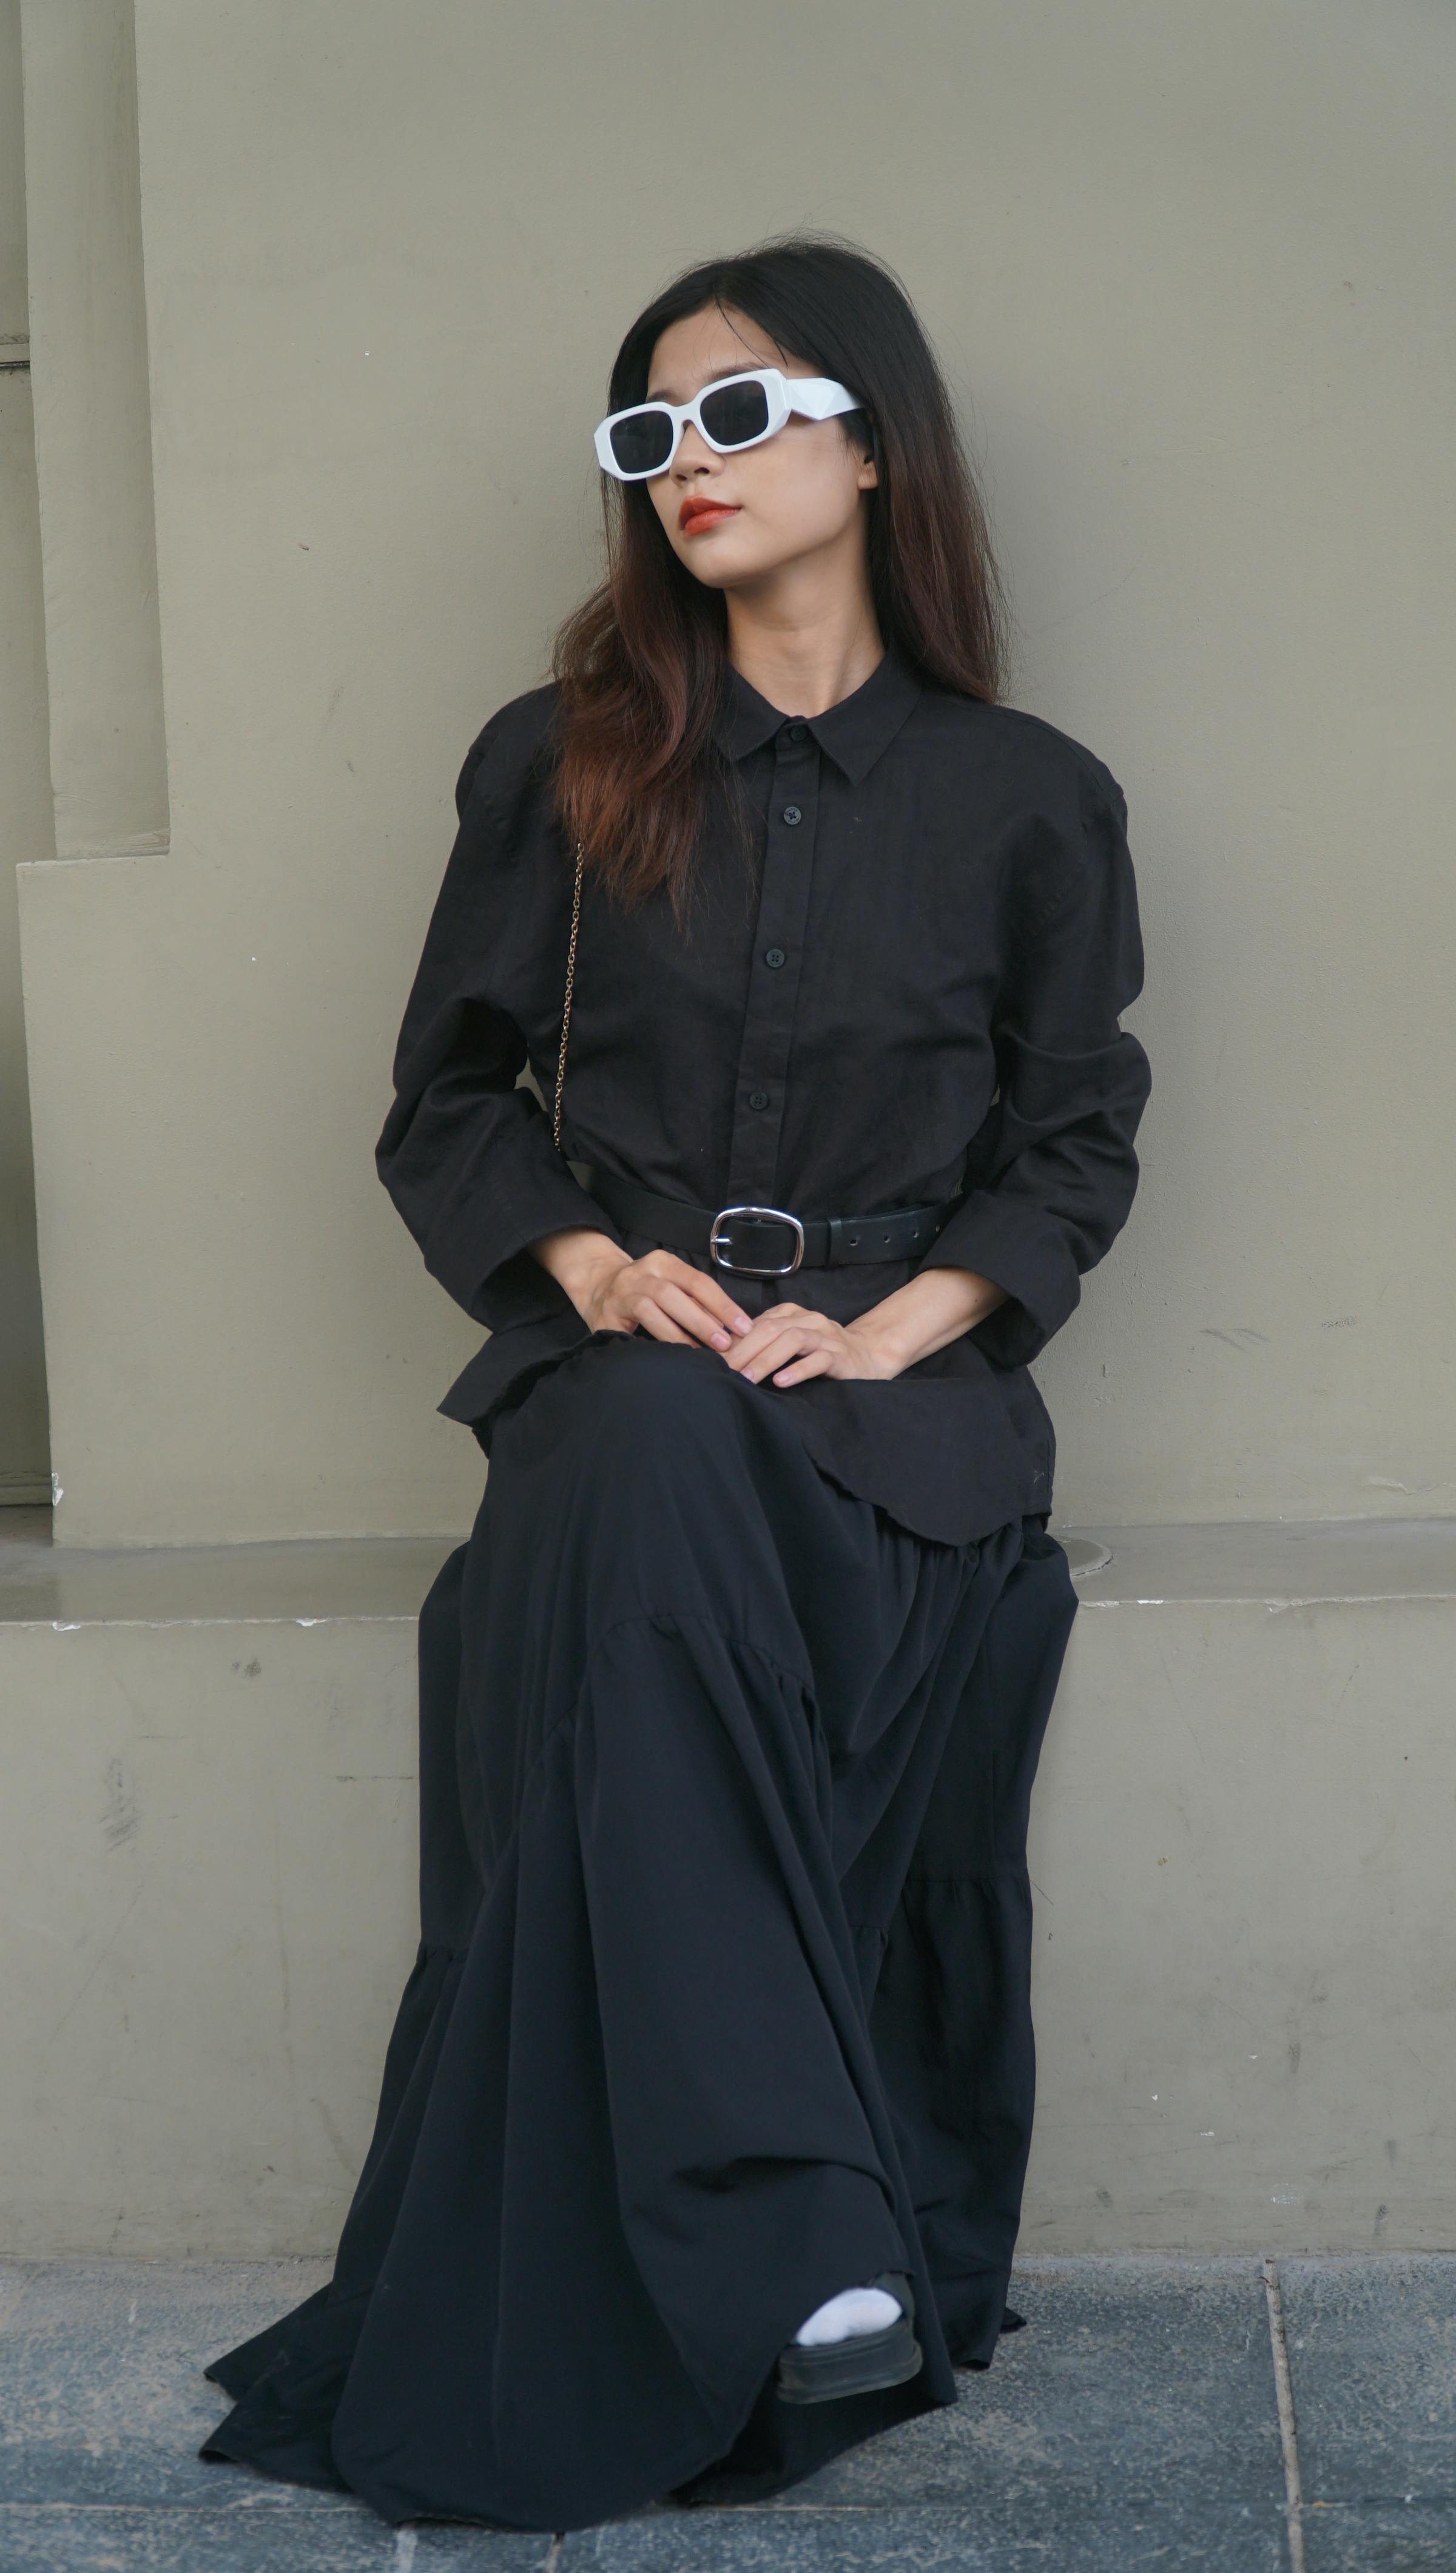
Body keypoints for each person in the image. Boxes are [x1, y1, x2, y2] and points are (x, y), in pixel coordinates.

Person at [197, 231, 1151, 2534]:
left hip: (892, 1409)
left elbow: (1076, 1138)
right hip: (631, 1380)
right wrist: (599, 1268)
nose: (686, 468)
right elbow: (444, 1103)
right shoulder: (564, 762)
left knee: (675, 1514)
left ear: (869, 436)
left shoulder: (1027, 794)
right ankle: (791, 2220)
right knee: (635, 1439)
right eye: (648, 435)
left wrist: (897, 1321)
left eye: (733, 413)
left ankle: (774, 2216)